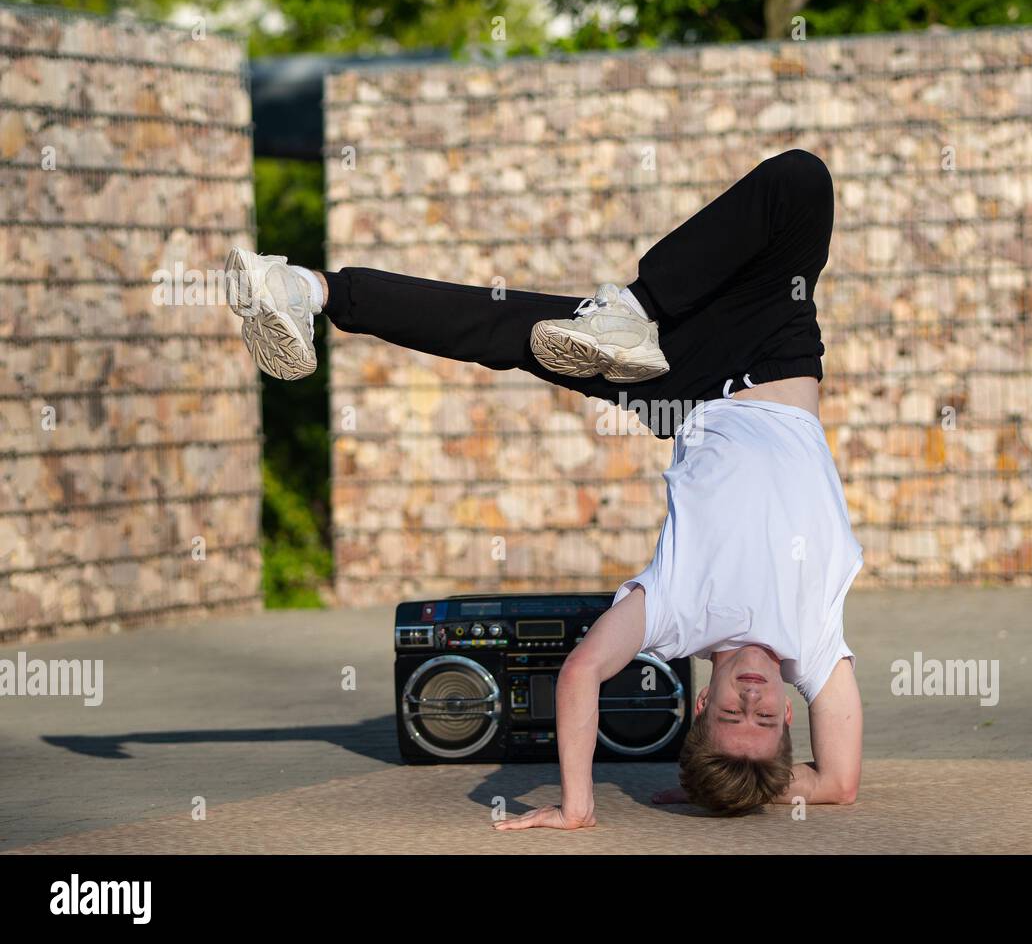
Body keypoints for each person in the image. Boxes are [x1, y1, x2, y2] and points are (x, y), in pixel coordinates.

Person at [224, 148, 864, 826]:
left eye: (733, 712)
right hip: (774, 349)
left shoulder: (675, 616)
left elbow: (582, 672)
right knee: (801, 181)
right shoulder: (815, 644)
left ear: (702, 706)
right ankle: (627, 312)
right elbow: (839, 782)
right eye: (763, 717)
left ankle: (306, 291)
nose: (753, 697)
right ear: (789, 713)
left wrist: (578, 805)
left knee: (503, 328)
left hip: (679, 386)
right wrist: (738, 786)